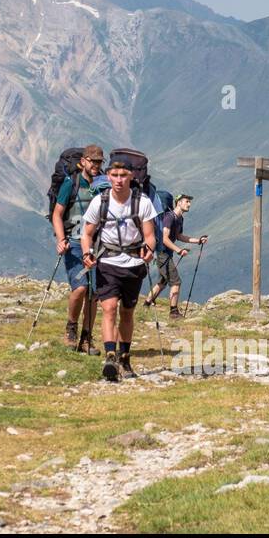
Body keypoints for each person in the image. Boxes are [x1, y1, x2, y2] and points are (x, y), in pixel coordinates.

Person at [80, 159, 157, 382]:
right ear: (108, 176)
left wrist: (150, 250)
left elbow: (150, 235)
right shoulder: (99, 202)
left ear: (131, 176)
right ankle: (110, 357)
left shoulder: (142, 202)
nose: (119, 180)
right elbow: (86, 233)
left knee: (127, 312)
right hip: (108, 262)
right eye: (114, 175)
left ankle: (125, 357)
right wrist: (87, 253)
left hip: (133, 263)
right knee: (110, 308)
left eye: (123, 175)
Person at [52, 145, 104, 352]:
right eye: (92, 161)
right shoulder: (70, 184)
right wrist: (61, 238)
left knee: (94, 293)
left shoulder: (104, 184)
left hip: (99, 245)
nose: (96, 165)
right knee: (80, 288)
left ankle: (87, 338)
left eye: (99, 162)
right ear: (83, 161)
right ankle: (71, 328)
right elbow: (57, 213)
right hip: (73, 243)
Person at [145, 194, 207, 317]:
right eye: (187, 201)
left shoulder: (180, 219)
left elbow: (179, 236)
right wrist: (179, 250)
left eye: (189, 202)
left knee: (163, 282)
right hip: (163, 253)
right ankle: (173, 312)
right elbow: (164, 239)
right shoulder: (169, 217)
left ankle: (146, 305)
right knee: (176, 282)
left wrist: (198, 240)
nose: (189, 204)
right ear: (178, 202)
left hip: (167, 253)